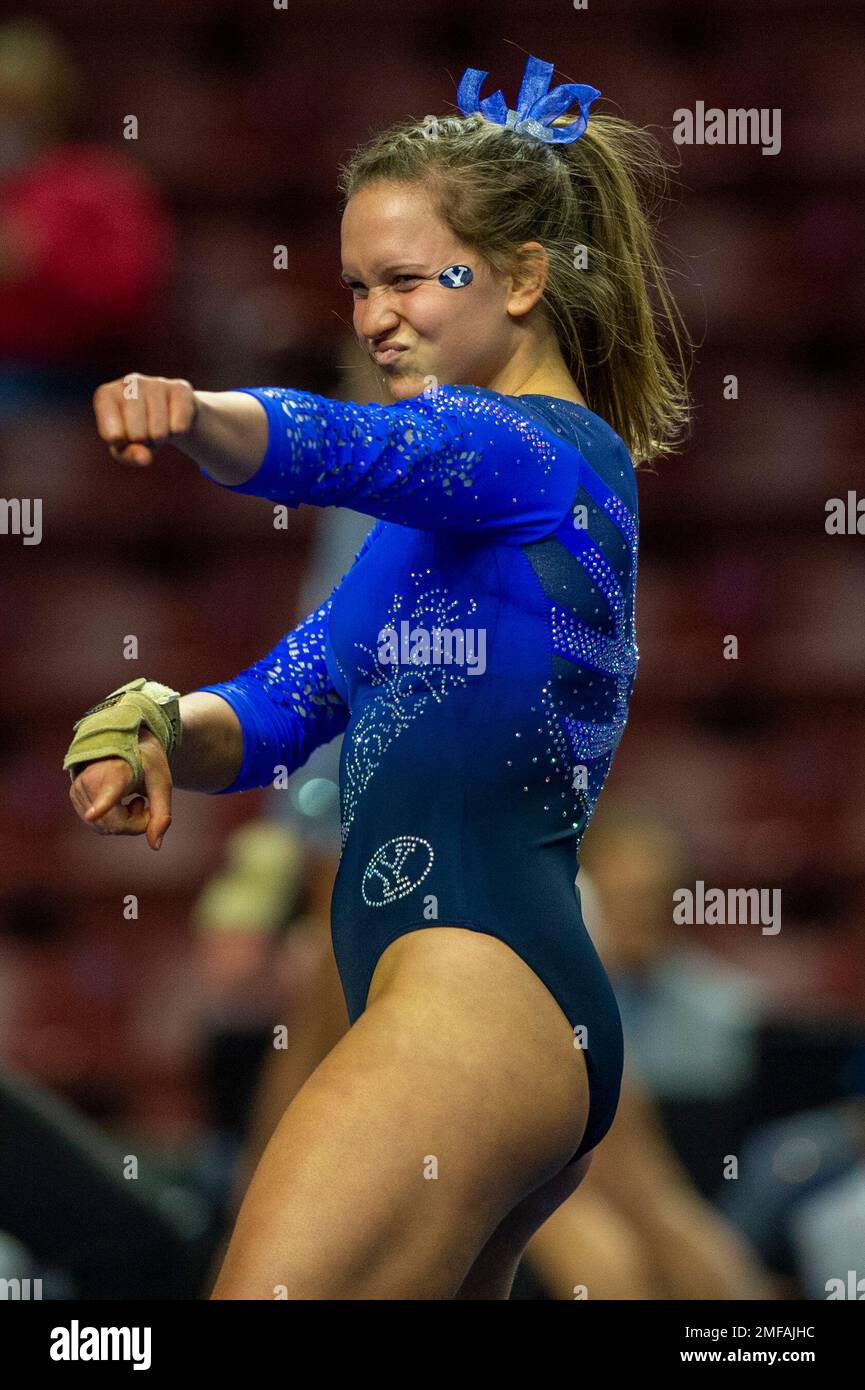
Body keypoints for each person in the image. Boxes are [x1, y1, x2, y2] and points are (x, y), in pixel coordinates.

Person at [64, 52, 692, 1298]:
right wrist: (148, 721)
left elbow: (336, 440)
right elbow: (280, 708)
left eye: (408, 279)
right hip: (477, 999)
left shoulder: (538, 448)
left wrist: (192, 412)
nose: (371, 316)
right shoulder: (429, 532)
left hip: (476, 992)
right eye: (355, 286)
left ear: (520, 277)